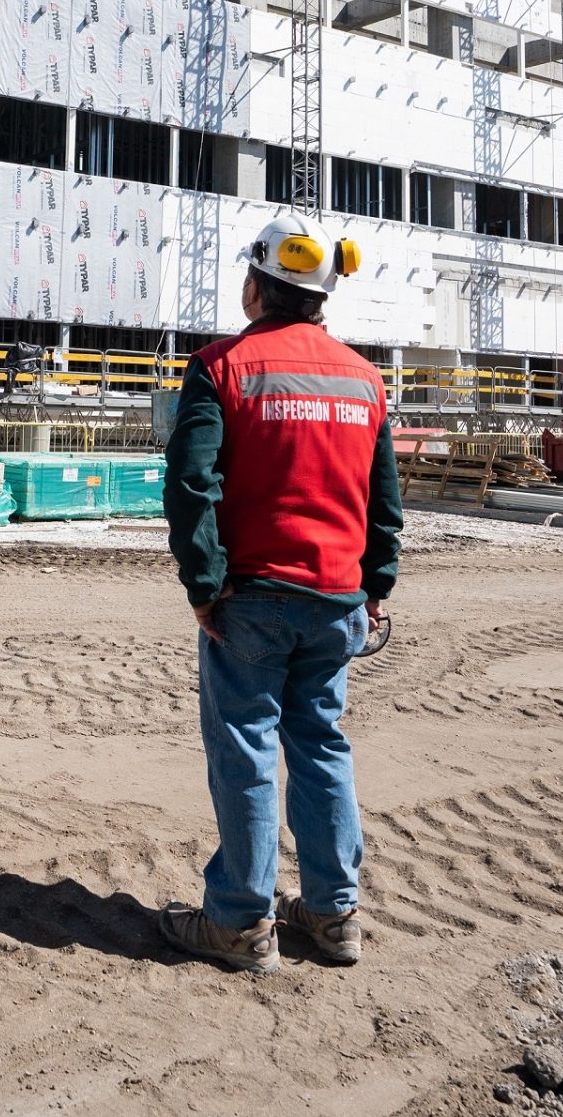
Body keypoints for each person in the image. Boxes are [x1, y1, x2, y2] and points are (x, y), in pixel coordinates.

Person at [158, 214, 403, 974]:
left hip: (254, 595)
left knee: (247, 753)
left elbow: (191, 482)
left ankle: (239, 922)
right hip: (337, 597)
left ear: (258, 285)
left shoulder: (222, 366)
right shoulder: (364, 379)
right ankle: (333, 916)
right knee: (323, 745)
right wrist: (376, 586)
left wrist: (203, 582)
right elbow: (383, 500)